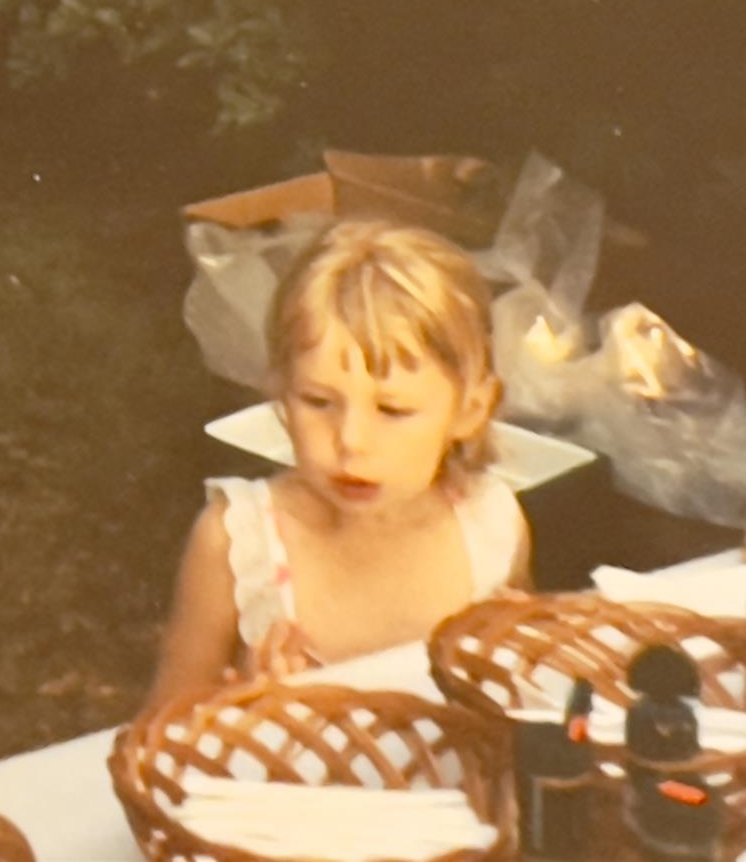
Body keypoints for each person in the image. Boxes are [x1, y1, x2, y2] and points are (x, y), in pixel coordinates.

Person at [147, 221, 529, 709]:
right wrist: (244, 708)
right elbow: (165, 728)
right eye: (317, 401)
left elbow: (522, 692)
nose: (351, 441)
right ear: (280, 392)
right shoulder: (239, 541)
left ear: (470, 411)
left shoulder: (490, 528)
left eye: (392, 410)